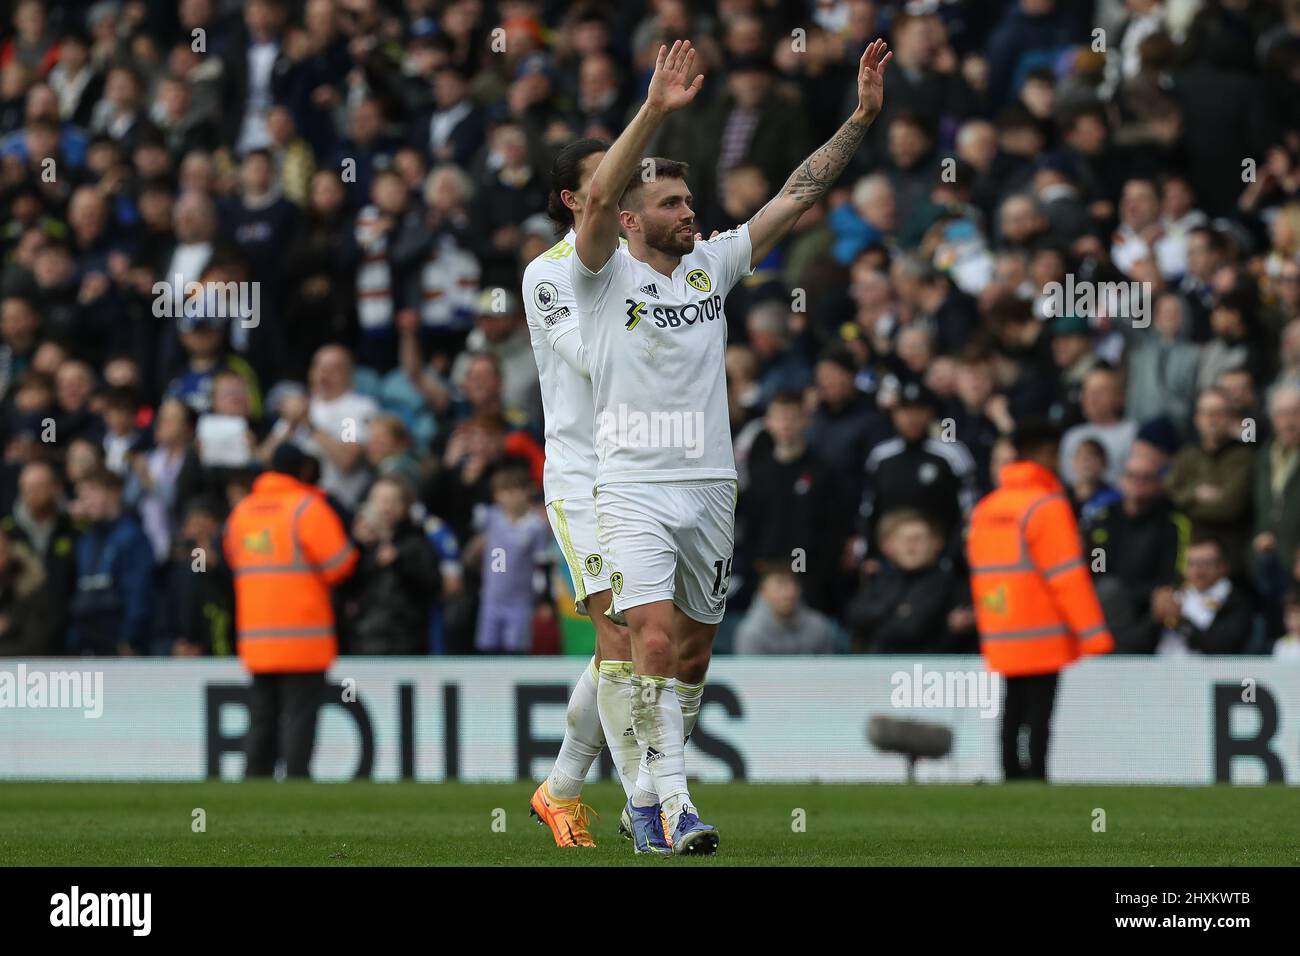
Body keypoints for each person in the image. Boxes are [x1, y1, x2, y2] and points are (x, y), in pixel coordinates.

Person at [572, 38, 890, 854]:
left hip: (712, 484)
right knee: (647, 635)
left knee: (689, 654)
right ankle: (674, 804)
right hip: (632, 484)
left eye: (689, 198)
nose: (690, 211)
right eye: (673, 203)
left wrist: (857, 120)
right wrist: (653, 110)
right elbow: (601, 193)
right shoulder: (601, 274)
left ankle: (645, 797)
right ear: (634, 221)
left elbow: (797, 193)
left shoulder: (713, 265)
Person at [520, 137, 634, 848]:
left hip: (650, 474)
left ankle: (560, 789)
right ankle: (649, 800)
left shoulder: (647, 262)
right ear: (573, 199)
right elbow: (591, 360)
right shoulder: (547, 274)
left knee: (655, 643)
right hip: (583, 477)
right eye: (606, 176)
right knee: (619, 636)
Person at [967, 419, 1114, 781]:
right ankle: (1035, 778)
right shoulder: (1047, 506)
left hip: (1001, 628)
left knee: (1012, 709)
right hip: (1041, 629)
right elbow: (1066, 577)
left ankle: (1011, 776)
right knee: (1039, 714)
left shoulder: (987, 507)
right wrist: (1094, 634)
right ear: (1045, 453)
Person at [224, 443, 358, 778]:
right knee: (299, 716)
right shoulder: (307, 508)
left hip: (257, 638)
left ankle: (255, 782)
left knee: (262, 717)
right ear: (301, 470)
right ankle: (297, 781)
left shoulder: (243, 512)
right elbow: (339, 565)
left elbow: (232, 558)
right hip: (303, 636)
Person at [847, 509, 975, 654]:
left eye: (918, 538)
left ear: (937, 542)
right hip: (882, 668)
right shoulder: (881, 579)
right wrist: (901, 613)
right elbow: (856, 616)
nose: (911, 545)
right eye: (903, 539)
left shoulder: (954, 584)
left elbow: (914, 628)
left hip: (936, 671)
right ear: (888, 547)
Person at [67, 466, 155, 656]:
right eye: (82, 497)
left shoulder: (132, 537)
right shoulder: (84, 541)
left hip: (120, 642)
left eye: (91, 494)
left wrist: (130, 638)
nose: (86, 503)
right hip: (87, 643)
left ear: (114, 492)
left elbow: (138, 591)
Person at [468, 466, 552, 655]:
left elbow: (542, 564)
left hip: (520, 600)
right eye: (504, 491)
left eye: (515, 491)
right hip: (491, 598)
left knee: (515, 650)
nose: (510, 497)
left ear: (526, 492)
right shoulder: (491, 517)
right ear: (497, 495)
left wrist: (543, 599)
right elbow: (465, 508)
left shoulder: (536, 526)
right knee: (487, 648)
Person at [1152, 536, 1253, 655]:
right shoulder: (1175, 594)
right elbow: (1136, 643)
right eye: (1192, 563)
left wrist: (1179, 622)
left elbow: (1223, 645)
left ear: (1223, 567)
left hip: (1211, 672)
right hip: (1163, 668)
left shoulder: (1236, 601)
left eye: (1206, 563)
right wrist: (1155, 617)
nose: (1198, 571)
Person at [734, 569, 835, 654]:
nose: (790, 593)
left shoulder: (818, 625)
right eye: (780, 585)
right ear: (762, 590)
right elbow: (751, 675)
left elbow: (828, 670)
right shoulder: (750, 632)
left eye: (794, 584)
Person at [0, 524, 57, 655]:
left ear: (10, 553)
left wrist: (12, 622)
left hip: (24, 671)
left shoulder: (34, 591)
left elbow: (35, 645)